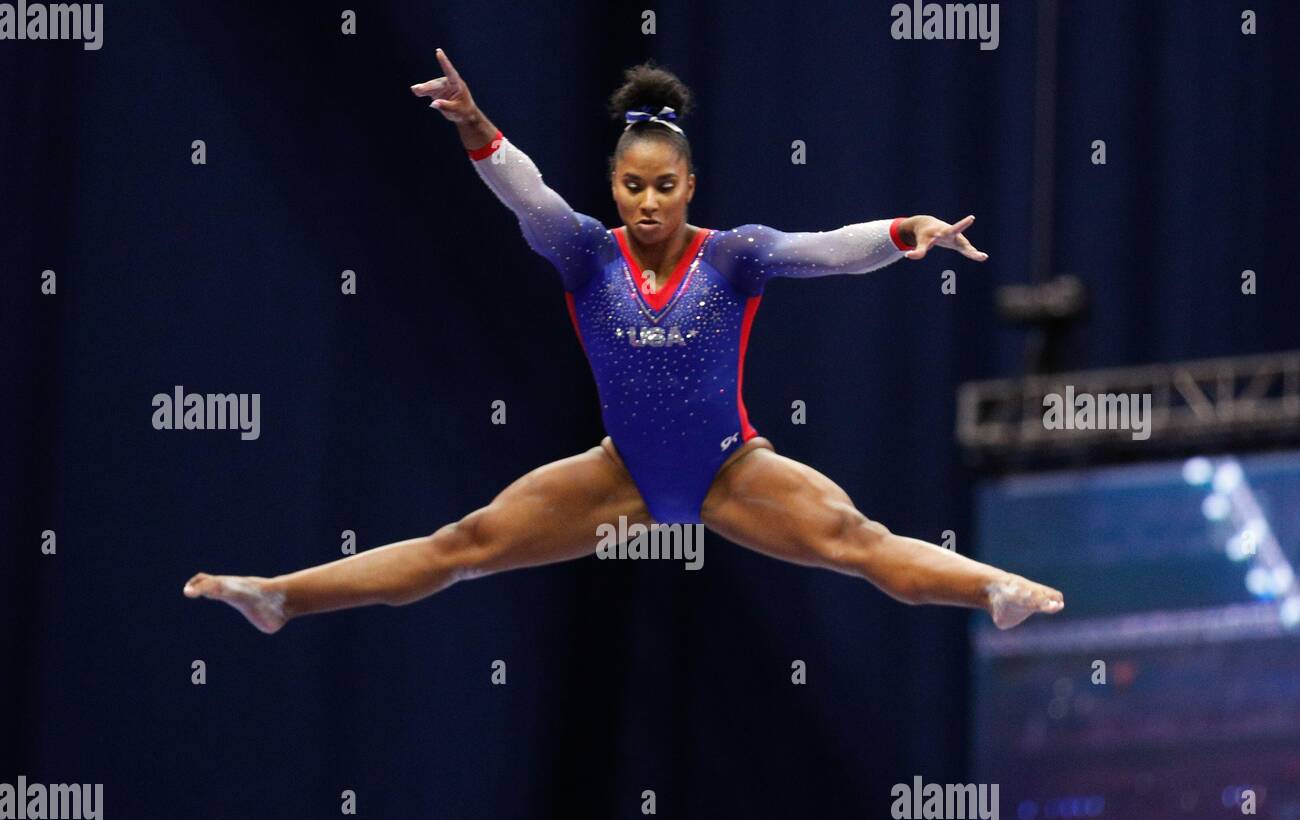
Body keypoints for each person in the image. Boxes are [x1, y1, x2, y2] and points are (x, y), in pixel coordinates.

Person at [183, 51, 1063, 633]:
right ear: (613, 184)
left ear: (690, 185)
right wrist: (471, 123)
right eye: (633, 186)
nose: (648, 202)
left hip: (730, 471)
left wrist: (909, 232)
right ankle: (280, 597)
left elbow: (827, 251)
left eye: (665, 186)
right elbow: (527, 195)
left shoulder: (735, 258)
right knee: (463, 546)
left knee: (859, 543)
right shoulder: (581, 254)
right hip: (619, 474)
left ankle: (993, 586)